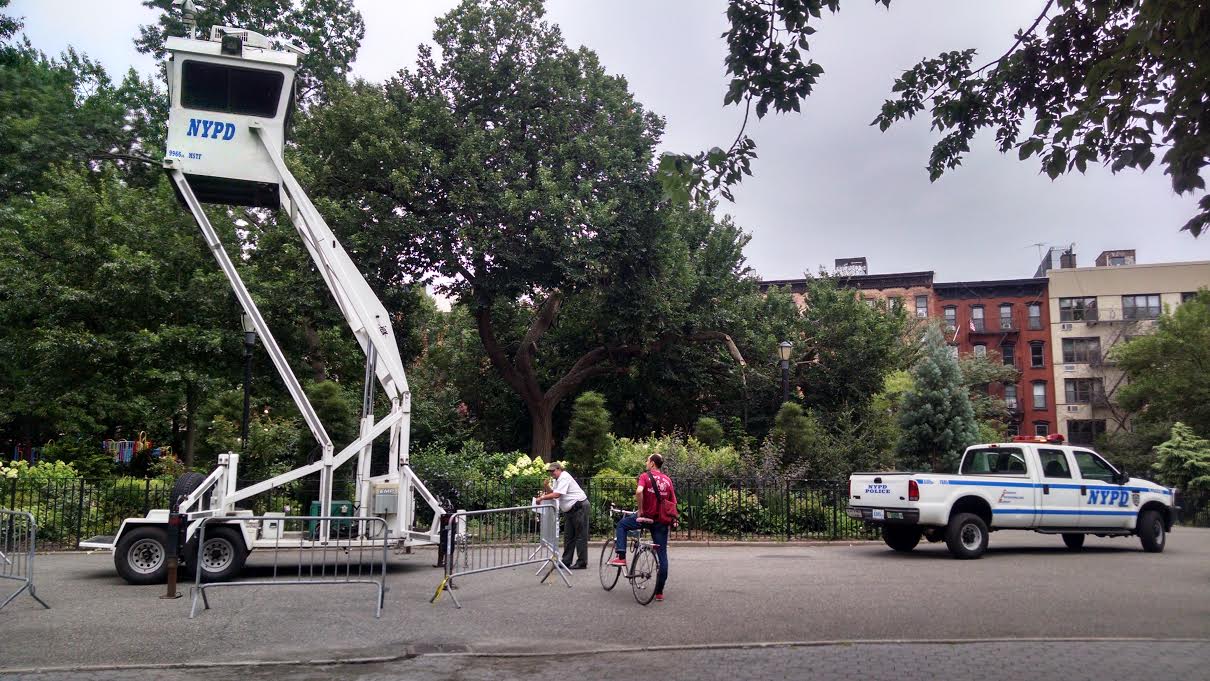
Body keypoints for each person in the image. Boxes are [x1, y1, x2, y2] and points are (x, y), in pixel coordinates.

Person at [608, 453, 676, 602]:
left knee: (622, 525)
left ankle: (621, 556)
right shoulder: (668, 480)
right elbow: (672, 502)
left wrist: (640, 509)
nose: (646, 463)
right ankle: (659, 592)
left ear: (652, 463)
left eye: (647, 461)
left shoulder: (645, 476)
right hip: (661, 521)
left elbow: (639, 491)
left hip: (646, 517)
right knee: (662, 555)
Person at [534, 461, 589, 569]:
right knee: (569, 536)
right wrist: (547, 487)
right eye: (550, 471)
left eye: (553, 471)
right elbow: (555, 493)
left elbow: (557, 494)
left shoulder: (564, 477)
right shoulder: (557, 479)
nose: (551, 473)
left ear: (559, 469)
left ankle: (582, 562)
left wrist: (542, 498)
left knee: (580, 536)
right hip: (571, 510)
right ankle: (566, 561)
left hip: (579, 507)